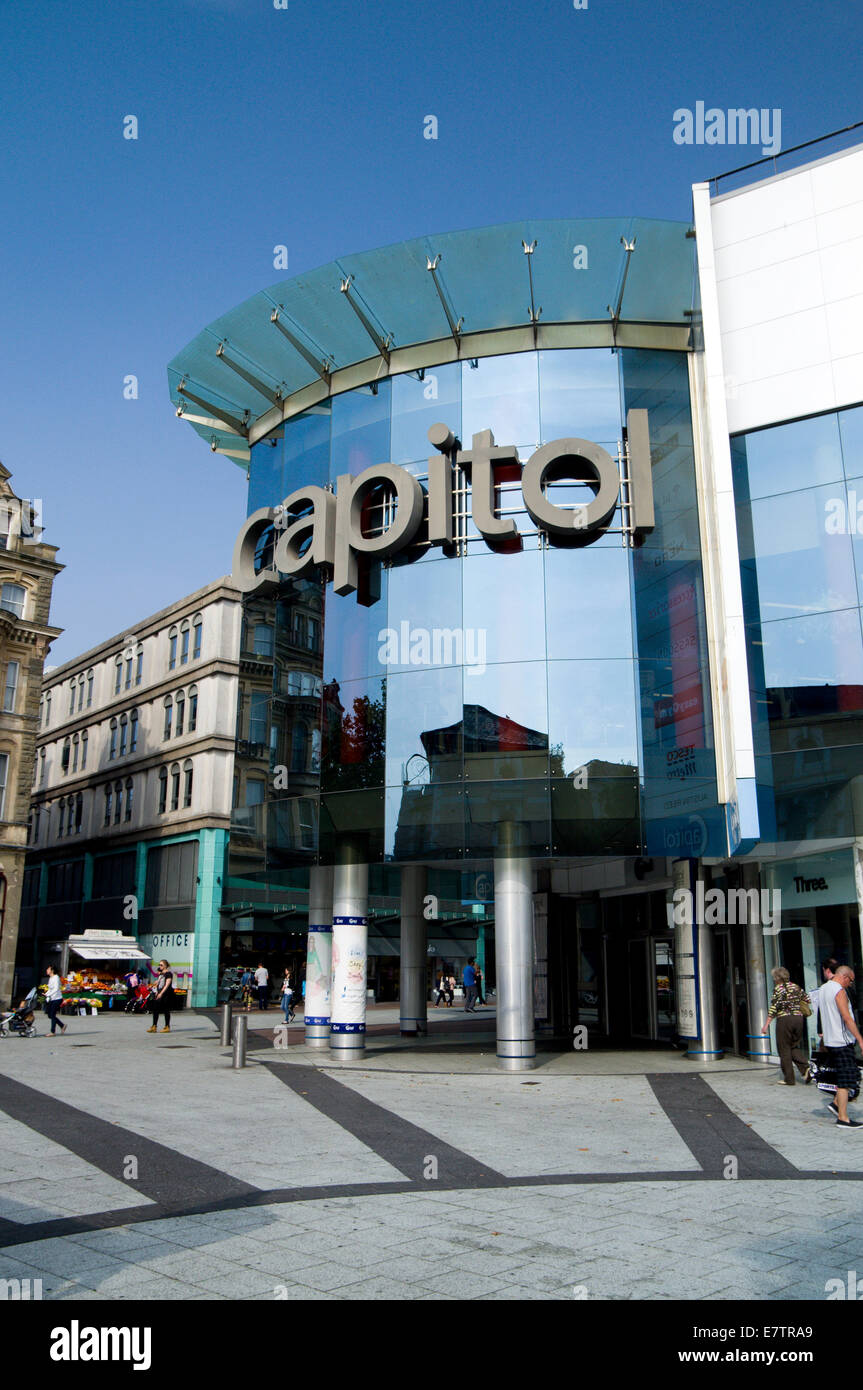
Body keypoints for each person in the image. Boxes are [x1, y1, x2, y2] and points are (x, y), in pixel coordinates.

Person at [817, 964, 863, 1129]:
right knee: (845, 1080)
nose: (850, 984)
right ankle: (843, 1118)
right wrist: (860, 1039)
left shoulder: (823, 989)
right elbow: (847, 1017)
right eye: (850, 981)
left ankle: (837, 1104)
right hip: (842, 1040)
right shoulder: (839, 991)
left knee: (852, 1074)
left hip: (831, 1039)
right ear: (844, 977)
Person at [760, 966, 811, 1085]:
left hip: (785, 1020)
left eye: (774, 978)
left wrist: (766, 1025)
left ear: (777, 978)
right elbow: (807, 999)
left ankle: (789, 1078)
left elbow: (774, 1007)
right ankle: (805, 1068)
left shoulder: (779, 989)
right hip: (798, 1019)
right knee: (793, 1045)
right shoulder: (796, 987)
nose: (773, 980)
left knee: (784, 1048)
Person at [147, 960, 174, 1034]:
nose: (160, 966)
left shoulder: (168, 974)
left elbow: (167, 985)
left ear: (165, 966)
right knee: (155, 1009)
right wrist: (154, 986)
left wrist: (161, 993)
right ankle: (154, 1026)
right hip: (159, 993)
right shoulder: (161, 974)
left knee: (166, 1010)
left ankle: (167, 1026)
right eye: (159, 965)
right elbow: (158, 983)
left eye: (161, 965)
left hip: (166, 994)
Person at [45, 966, 66, 1036]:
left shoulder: (56, 977)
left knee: (53, 1015)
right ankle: (62, 1025)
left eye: (48, 969)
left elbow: (56, 989)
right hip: (52, 998)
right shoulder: (50, 978)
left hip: (57, 999)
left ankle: (52, 1032)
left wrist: (49, 994)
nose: (47, 970)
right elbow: (50, 989)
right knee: (49, 1015)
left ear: (52, 970)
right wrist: (46, 994)